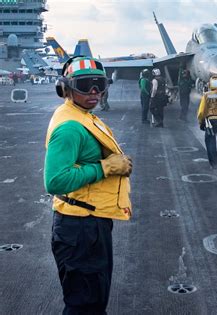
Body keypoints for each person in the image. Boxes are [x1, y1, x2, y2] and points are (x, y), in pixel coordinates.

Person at [44, 56, 133, 314]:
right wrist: (105, 167)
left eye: (100, 84)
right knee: (84, 306)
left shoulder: (81, 114)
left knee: (93, 300)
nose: (94, 92)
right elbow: (55, 180)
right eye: (85, 85)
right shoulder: (70, 126)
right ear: (66, 88)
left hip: (88, 223)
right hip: (80, 228)